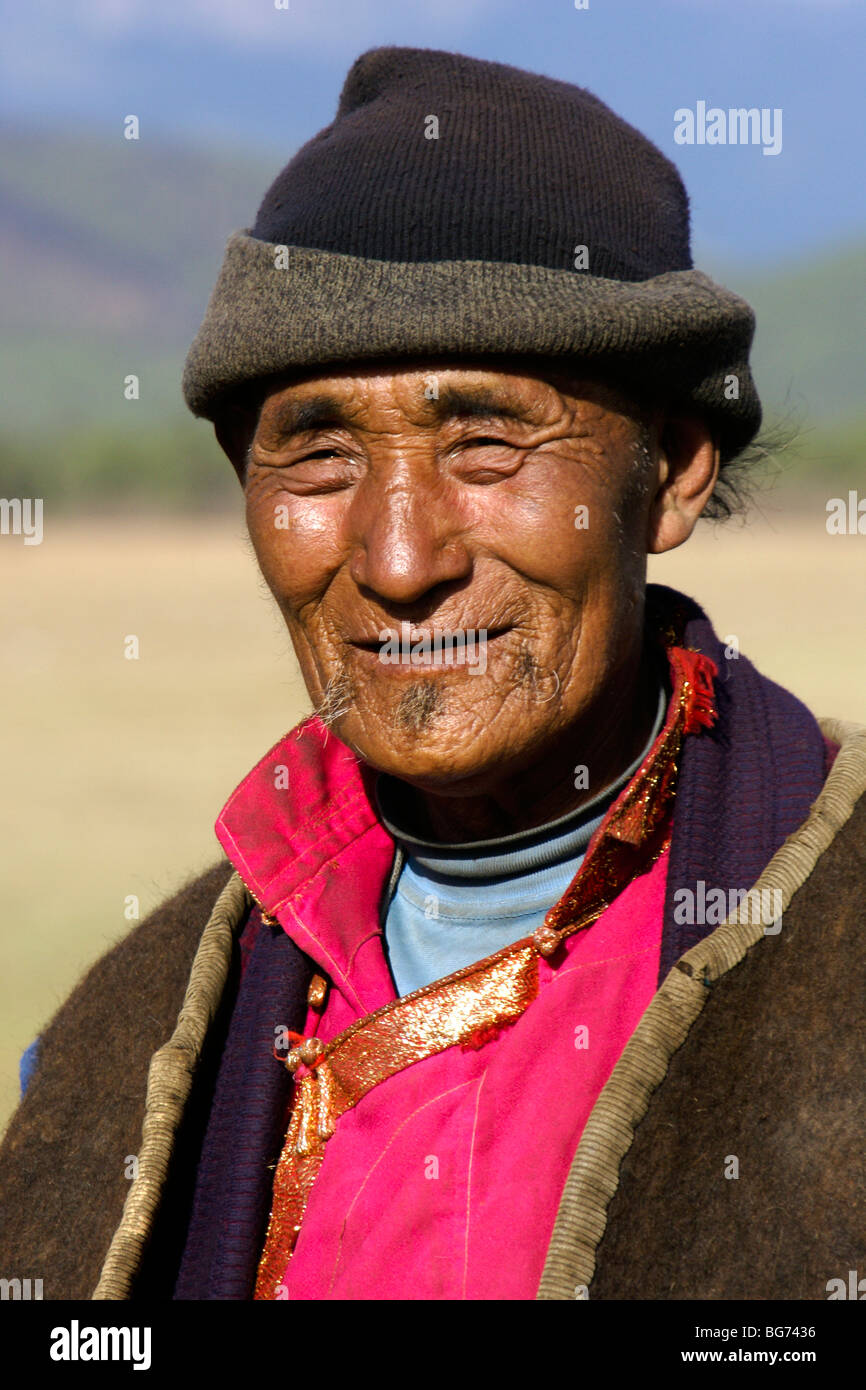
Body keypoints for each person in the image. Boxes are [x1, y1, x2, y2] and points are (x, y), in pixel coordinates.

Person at [2, 45, 865, 1302]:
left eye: (485, 443)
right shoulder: (124, 1042)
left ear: (670, 471)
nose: (399, 559)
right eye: (318, 458)